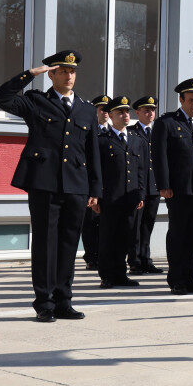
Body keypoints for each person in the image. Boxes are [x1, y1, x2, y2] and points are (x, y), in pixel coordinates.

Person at [0, 50, 101, 321]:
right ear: (52, 74)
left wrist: (95, 189)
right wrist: (30, 74)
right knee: (45, 244)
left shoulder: (87, 109)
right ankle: (44, 302)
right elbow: (2, 98)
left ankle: (64, 300)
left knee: (69, 244)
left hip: (76, 185)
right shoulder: (36, 101)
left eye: (72, 71)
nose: (68, 76)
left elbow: (93, 152)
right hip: (44, 183)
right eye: (62, 71)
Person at [155, 79, 193, 295]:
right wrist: (164, 185)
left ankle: (190, 278)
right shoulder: (167, 123)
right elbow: (160, 157)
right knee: (178, 234)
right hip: (178, 189)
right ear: (181, 100)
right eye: (191, 100)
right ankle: (176, 279)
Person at [94, 96, 149, 290]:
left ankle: (120, 274)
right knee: (108, 238)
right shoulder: (102, 140)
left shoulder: (136, 140)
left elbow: (142, 169)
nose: (125, 115)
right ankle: (107, 275)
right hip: (109, 198)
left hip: (130, 197)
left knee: (126, 238)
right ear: (110, 115)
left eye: (127, 112)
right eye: (120, 112)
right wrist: (96, 196)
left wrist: (141, 194)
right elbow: (96, 171)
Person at [127, 96, 163, 275]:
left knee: (148, 225)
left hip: (154, 185)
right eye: (146, 110)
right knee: (135, 225)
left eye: (153, 110)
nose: (150, 113)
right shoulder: (131, 132)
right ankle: (134, 260)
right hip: (137, 187)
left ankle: (146, 259)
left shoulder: (158, 132)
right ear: (138, 112)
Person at [81, 94, 112, 271]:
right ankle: (91, 257)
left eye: (108, 110)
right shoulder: (88, 131)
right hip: (92, 183)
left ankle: (104, 256)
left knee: (106, 223)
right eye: (102, 109)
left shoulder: (113, 132)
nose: (105, 113)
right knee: (91, 223)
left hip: (109, 185)